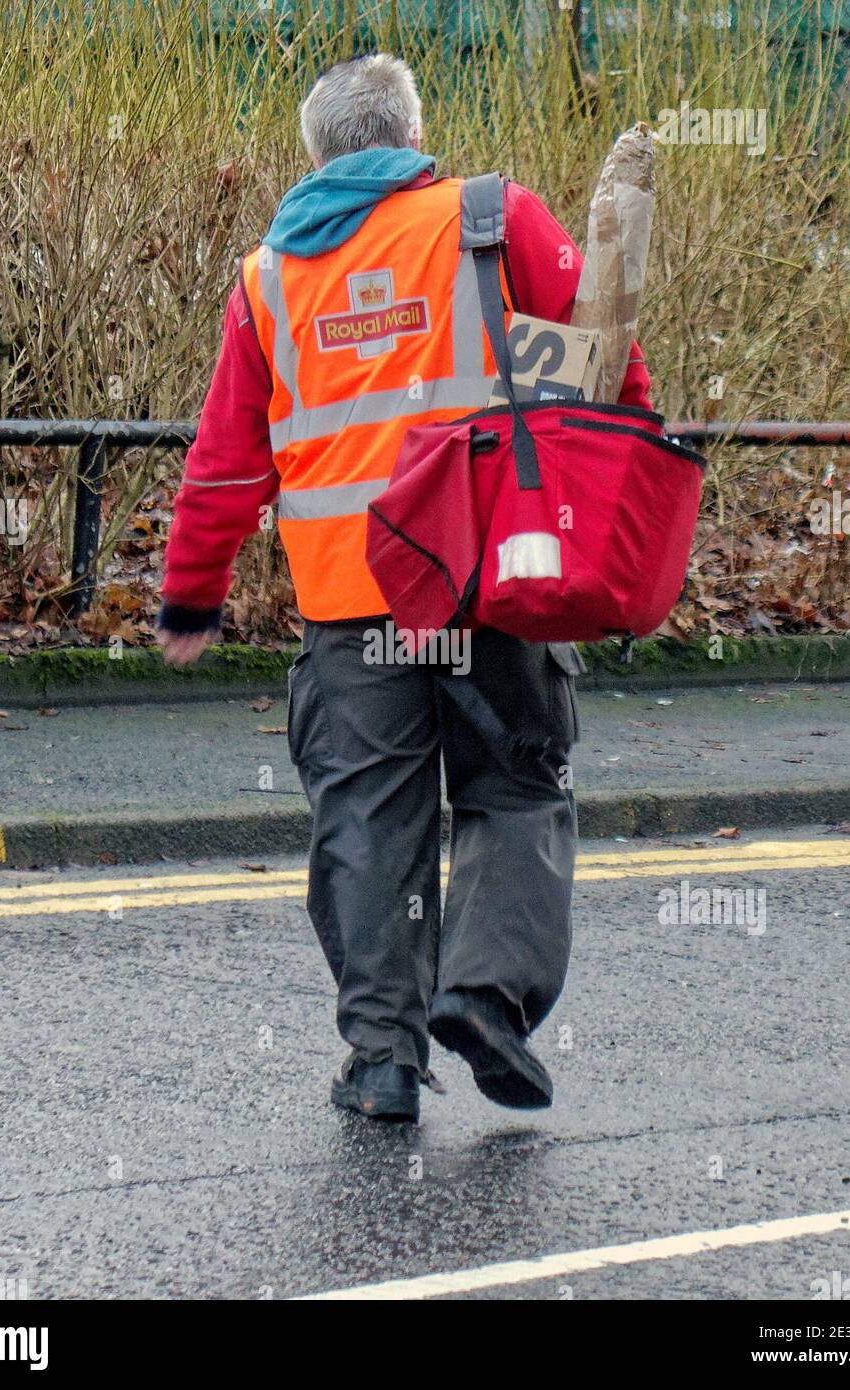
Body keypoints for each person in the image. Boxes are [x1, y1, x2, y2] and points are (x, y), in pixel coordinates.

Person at [157, 53, 652, 1123]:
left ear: (320, 155)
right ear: (411, 132)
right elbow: (605, 354)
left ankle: (382, 1059)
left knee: (369, 826)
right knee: (516, 786)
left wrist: (191, 594)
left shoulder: (269, 280)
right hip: (490, 582)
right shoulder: (491, 217)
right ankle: (483, 996)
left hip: (348, 611)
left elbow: (226, 462)